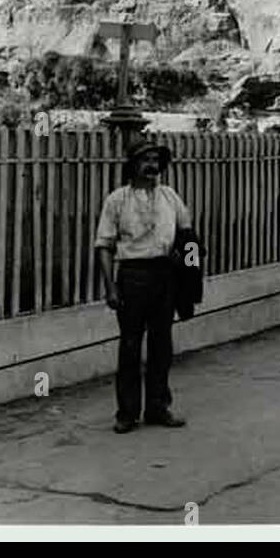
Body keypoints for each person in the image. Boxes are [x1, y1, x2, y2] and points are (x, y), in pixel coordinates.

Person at [96, 139, 196, 434]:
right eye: (145, 160)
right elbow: (103, 246)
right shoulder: (117, 200)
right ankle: (126, 413)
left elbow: (189, 236)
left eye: (155, 160)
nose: (152, 166)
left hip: (164, 276)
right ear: (133, 166)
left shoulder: (169, 197)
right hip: (132, 276)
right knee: (130, 345)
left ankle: (157, 407)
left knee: (161, 344)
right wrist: (111, 289)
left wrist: (188, 274)